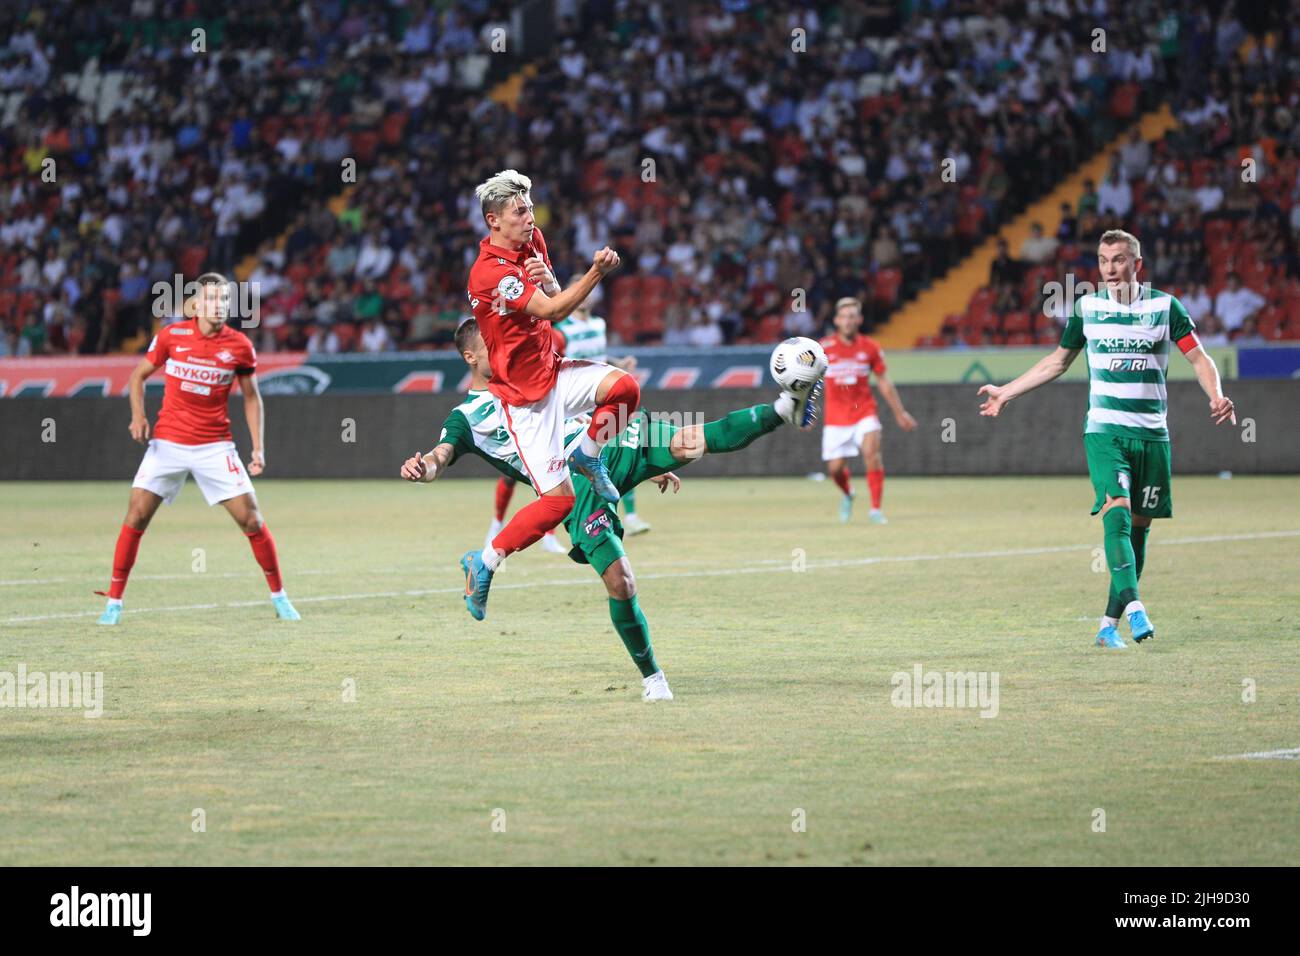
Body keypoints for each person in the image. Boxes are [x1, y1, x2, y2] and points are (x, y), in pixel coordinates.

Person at [400, 319, 825, 700]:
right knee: (622, 583)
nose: (508, 351)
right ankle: (653, 677)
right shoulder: (467, 416)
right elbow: (441, 454)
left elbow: (586, 403)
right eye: (496, 346)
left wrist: (641, 466)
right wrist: (425, 468)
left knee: (691, 441)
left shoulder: (529, 377)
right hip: (575, 488)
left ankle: (781, 410)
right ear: (470, 356)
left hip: (603, 447)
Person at [977, 230, 1235, 648]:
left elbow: (1198, 357)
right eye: (1102, 260)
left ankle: (1107, 624)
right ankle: (1136, 608)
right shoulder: (1087, 308)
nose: (1110, 268)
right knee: (1116, 510)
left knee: (1138, 530)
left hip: (1152, 435)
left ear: (1137, 264)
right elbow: (1058, 361)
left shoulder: (1165, 308)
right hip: (1105, 430)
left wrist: (1217, 395)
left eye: (1118, 260)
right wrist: (1007, 391)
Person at [460, 169, 634, 620]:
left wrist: (556, 282)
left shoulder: (532, 241)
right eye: (519, 212)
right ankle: (485, 561)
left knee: (625, 387)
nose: (529, 218)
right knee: (559, 504)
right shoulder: (490, 272)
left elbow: (555, 296)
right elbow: (553, 309)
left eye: (531, 208)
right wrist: (597, 271)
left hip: (554, 372)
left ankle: (588, 455)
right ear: (493, 221)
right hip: (524, 398)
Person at [97, 273, 300, 625]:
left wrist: (258, 448)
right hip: (168, 443)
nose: (219, 306)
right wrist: (137, 417)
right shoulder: (172, 336)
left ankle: (280, 598)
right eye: (211, 300)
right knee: (136, 515)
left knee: (251, 519)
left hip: (214, 446)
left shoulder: (239, 346)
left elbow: (252, 397)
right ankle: (113, 603)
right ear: (195, 305)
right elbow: (137, 377)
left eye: (224, 301)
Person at [819, 297, 917, 523]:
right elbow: (811, 381)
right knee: (835, 469)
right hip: (836, 417)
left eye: (852, 316)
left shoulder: (870, 347)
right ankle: (848, 493)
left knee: (872, 454)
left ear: (859, 320)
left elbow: (883, 381)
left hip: (864, 411)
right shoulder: (823, 348)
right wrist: (805, 410)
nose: (848, 321)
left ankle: (875, 509)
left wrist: (900, 412)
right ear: (836, 320)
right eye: (843, 316)